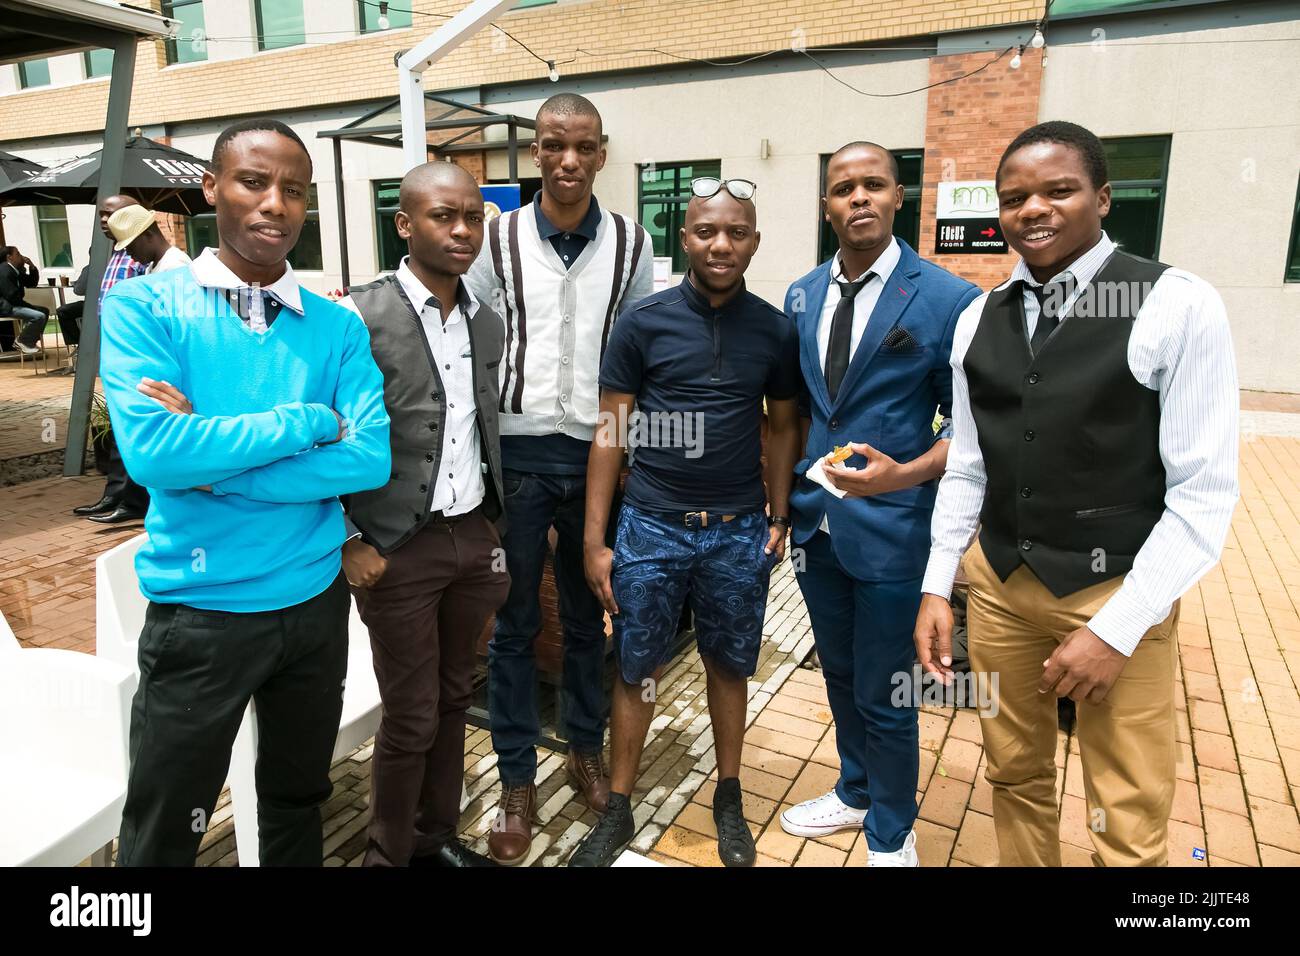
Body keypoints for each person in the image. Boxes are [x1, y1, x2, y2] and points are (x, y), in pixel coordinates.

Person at [915, 121, 1239, 866]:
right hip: (999, 586)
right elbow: (967, 463)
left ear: (1102, 196)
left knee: (1126, 813)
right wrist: (938, 586)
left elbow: (1204, 496)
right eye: (1015, 197)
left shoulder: (1177, 304)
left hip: (1116, 585)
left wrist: (1118, 628)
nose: (1034, 209)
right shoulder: (976, 317)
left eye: (1058, 190)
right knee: (1014, 774)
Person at [99, 118, 391, 866]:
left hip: (316, 606)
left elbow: (369, 461)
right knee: (165, 827)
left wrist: (214, 454)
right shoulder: (144, 307)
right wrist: (309, 419)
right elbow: (156, 455)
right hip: (202, 615)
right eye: (253, 182)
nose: (275, 205)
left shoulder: (334, 324)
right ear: (210, 189)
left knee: (298, 801)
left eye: (293, 190)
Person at [569, 178, 800, 867]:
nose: (721, 244)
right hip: (652, 526)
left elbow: (785, 427)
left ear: (754, 242)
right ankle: (619, 805)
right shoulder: (642, 323)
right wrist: (594, 540)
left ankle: (728, 794)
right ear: (685, 240)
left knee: (729, 667)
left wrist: (779, 516)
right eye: (706, 232)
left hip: (735, 529)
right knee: (638, 667)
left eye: (736, 233)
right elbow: (611, 431)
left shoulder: (774, 330)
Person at [778, 142, 980, 867]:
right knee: (838, 674)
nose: (857, 197)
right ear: (827, 204)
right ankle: (857, 789)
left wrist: (902, 476)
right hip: (819, 527)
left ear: (900, 197)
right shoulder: (800, 294)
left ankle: (893, 833)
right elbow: (800, 410)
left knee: (886, 690)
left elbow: (969, 430)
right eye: (842, 188)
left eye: (872, 185)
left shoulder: (949, 298)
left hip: (895, 532)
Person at [466, 92, 653, 864]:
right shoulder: (499, 237)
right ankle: (515, 777)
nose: (567, 161)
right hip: (514, 458)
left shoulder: (635, 242)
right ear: (535, 153)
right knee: (512, 626)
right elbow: (465, 329)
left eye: (582, 147)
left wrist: (635, 451)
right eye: (552, 146)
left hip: (598, 458)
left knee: (586, 620)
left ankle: (582, 745)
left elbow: (640, 359)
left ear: (602, 153)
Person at [337, 161, 510, 867]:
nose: (463, 230)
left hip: (471, 534)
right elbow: (322, 433)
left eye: (474, 216)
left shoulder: (486, 321)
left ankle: (437, 839)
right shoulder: (358, 314)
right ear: (405, 224)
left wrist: (493, 530)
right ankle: (388, 854)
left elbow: (478, 429)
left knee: (451, 699)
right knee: (408, 715)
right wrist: (348, 536)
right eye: (445, 216)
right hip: (396, 545)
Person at [70, 194, 150, 518]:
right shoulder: (113, 252)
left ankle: (133, 501)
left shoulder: (142, 254)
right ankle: (115, 494)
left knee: (133, 426)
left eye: (110, 214)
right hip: (116, 353)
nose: (104, 221)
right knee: (117, 425)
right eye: (101, 215)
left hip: (137, 355)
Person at [107, 205, 192, 274]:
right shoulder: (152, 266)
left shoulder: (175, 264)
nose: (128, 252)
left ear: (148, 235)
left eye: (130, 246)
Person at [0, 245, 48, 356]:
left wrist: (32, 267)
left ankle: (29, 342)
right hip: (5, 306)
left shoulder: (14, 270)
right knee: (39, 316)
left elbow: (31, 283)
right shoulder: (4, 271)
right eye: (18, 254)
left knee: (44, 311)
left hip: (12, 304)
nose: (21, 256)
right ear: (9, 257)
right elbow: (11, 296)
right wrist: (28, 306)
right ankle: (23, 341)